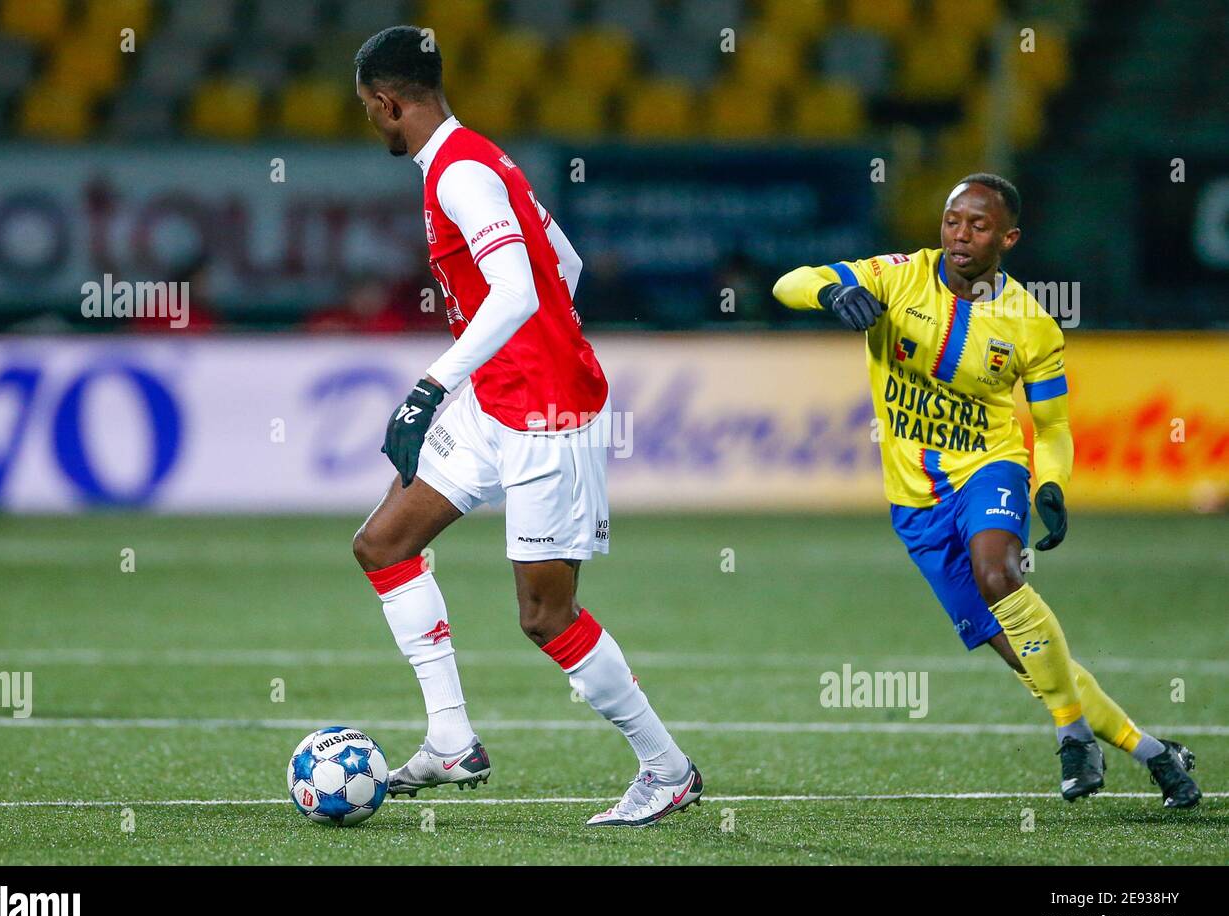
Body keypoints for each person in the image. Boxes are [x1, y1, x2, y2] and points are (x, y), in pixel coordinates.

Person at [349, 26, 702, 827]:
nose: (372, 122)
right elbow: (564, 265)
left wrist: (430, 385)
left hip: (546, 416)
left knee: (546, 616)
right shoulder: (477, 158)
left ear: (386, 101)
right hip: (497, 400)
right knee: (383, 543)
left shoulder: (462, 174)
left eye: (369, 110)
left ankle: (667, 768)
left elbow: (516, 292)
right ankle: (449, 739)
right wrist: (511, 363)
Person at [772, 173, 1201, 808]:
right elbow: (790, 283)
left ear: (1009, 237)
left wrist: (1052, 483)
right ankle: (1150, 750)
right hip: (914, 502)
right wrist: (835, 292)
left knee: (998, 574)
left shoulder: (1030, 323)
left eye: (978, 225)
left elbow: (1052, 427)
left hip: (989, 468)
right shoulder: (898, 275)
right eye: (952, 221)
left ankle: (1069, 733)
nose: (960, 235)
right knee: (1023, 653)